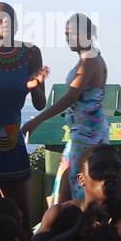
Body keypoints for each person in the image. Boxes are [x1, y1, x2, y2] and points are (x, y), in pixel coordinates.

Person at [21, 14, 109, 203]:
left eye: (72, 33)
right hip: (85, 131)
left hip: (87, 134)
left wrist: (36, 120)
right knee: (66, 181)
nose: (68, 38)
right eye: (66, 34)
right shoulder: (91, 58)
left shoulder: (89, 61)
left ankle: (81, 223)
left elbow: (71, 97)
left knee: (79, 183)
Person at [0, 1, 49, 230]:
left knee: (19, 212)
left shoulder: (30, 53)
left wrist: (35, 85)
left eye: (10, 20)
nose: (6, 25)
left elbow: (40, 103)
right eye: (0, 20)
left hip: (11, 139)